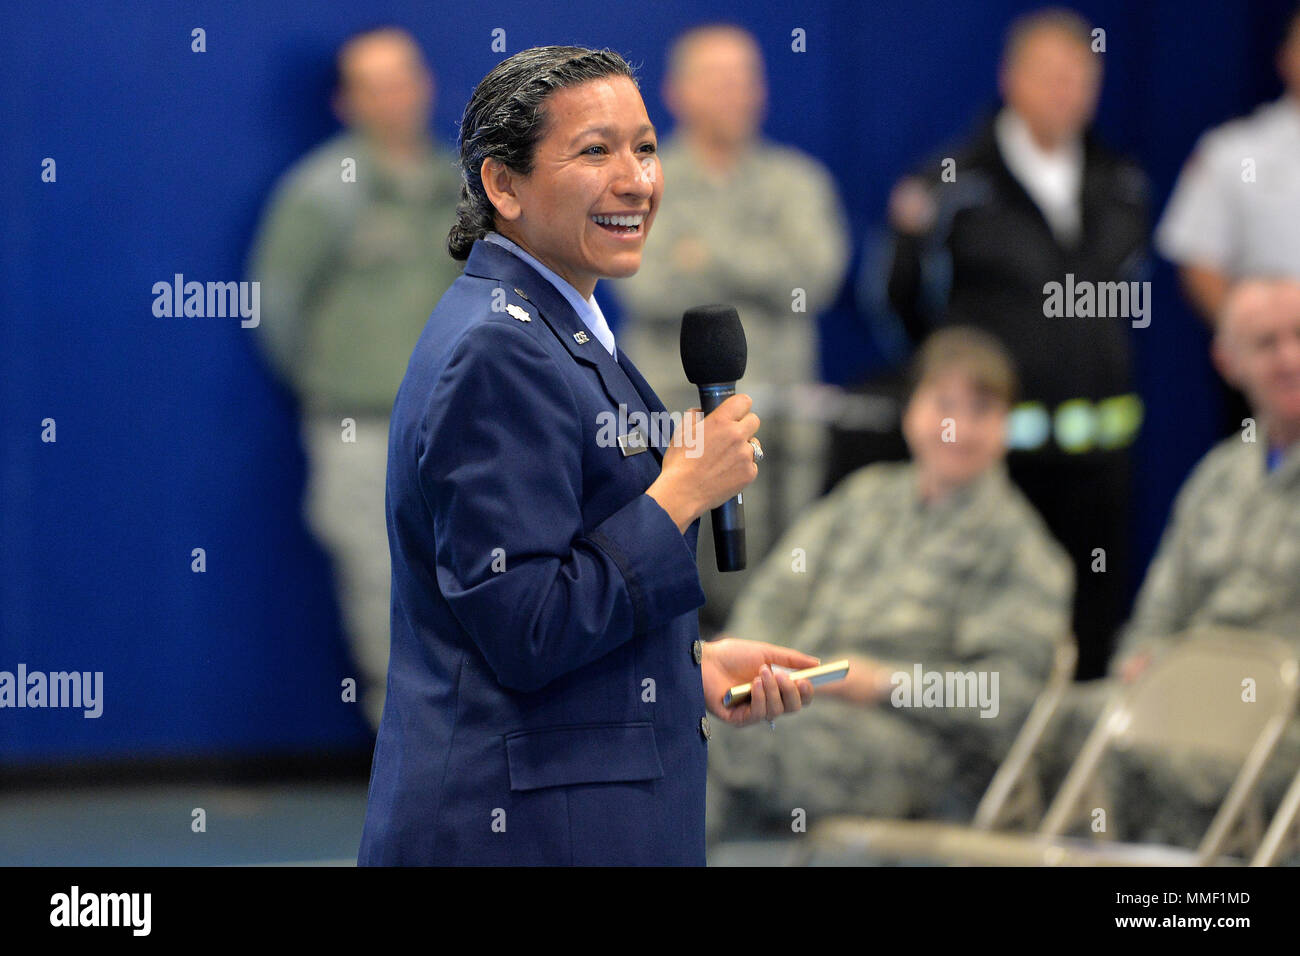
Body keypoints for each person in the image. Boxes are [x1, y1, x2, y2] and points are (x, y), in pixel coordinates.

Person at [358, 46, 819, 867]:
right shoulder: (499, 350)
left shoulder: (548, 325)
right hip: (520, 831)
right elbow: (529, 626)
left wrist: (687, 666)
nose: (637, 179)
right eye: (596, 151)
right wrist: (681, 493)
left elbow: (554, 581)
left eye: (645, 147)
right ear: (502, 185)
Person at [707, 328, 1073, 846]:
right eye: (943, 404)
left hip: (919, 752)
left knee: (716, 747)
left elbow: (1008, 700)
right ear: (911, 411)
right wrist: (753, 676)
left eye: (980, 410)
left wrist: (886, 683)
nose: (957, 428)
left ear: (1005, 427)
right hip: (801, 715)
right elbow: (772, 601)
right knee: (695, 726)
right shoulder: (863, 499)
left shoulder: (1026, 554)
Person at [884, 7, 1148, 680]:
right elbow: (897, 297)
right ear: (1011, 79)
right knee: (988, 635)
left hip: (1098, 461)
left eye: (1081, 77)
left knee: (1092, 631)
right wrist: (955, 386)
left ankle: (1077, 769)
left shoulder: (1121, 183)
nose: (1068, 92)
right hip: (993, 460)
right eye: (1051, 76)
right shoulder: (951, 182)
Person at [248, 27, 463, 729]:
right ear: (348, 102)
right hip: (360, 430)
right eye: (375, 84)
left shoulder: (466, 186)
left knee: (476, 585)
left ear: (426, 83)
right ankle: (411, 764)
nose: (395, 96)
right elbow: (274, 308)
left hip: (461, 431)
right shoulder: (321, 194)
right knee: (384, 596)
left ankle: (482, 765)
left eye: (404, 76)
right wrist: (333, 382)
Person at [612, 24, 851, 633]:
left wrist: (705, 253)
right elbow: (645, 284)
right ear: (676, 92)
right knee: (685, 583)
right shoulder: (640, 182)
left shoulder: (797, 181)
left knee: (785, 582)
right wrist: (761, 264)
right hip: (676, 421)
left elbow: (816, 278)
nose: (737, 94)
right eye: (718, 80)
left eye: (747, 78)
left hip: (784, 418)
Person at [1045, 278, 1300, 848]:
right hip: (1187, 708)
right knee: (1066, 722)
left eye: (1299, 337)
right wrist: (1145, 662)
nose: (1289, 359)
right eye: (1265, 344)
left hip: (1282, 722)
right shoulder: (1217, 478)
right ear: (1227, 361)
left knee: (1179, 758)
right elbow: (1154, 621)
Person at [1155, 6, 1300, 435]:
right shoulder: (1235, 152)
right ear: (1285, 56)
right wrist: (1259, 342)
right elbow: (1199, 261)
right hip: (1270, 381)